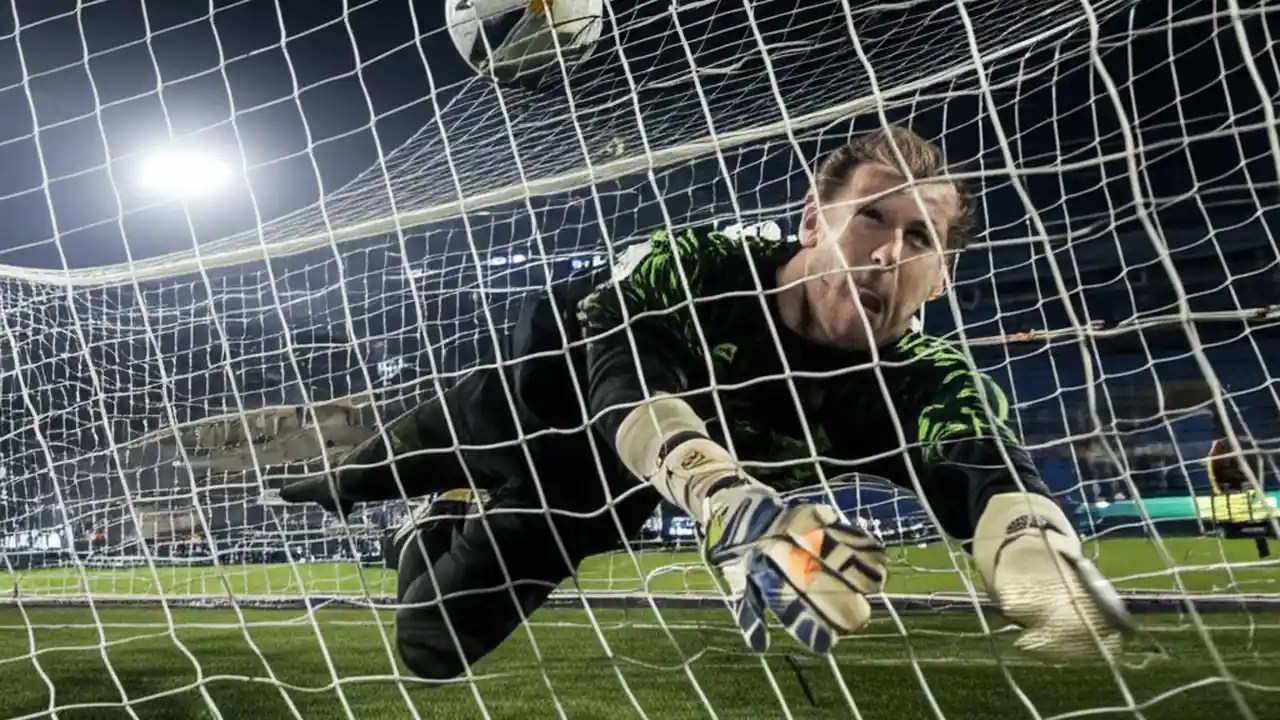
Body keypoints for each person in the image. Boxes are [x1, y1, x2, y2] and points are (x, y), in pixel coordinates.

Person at [281, 125, 1131, 679]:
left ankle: (427, 530)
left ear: (941, 277)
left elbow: (987, 469)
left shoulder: (924, 380)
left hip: (598, 487)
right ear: (812, 222)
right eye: (872, 218)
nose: (887, 253)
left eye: (921, 239)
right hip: (534, 401)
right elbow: (627, 388)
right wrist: (729, 502)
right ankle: (388, 485)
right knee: (349, 479)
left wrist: (1036, 560)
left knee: (431, 653)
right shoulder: (700, 268)